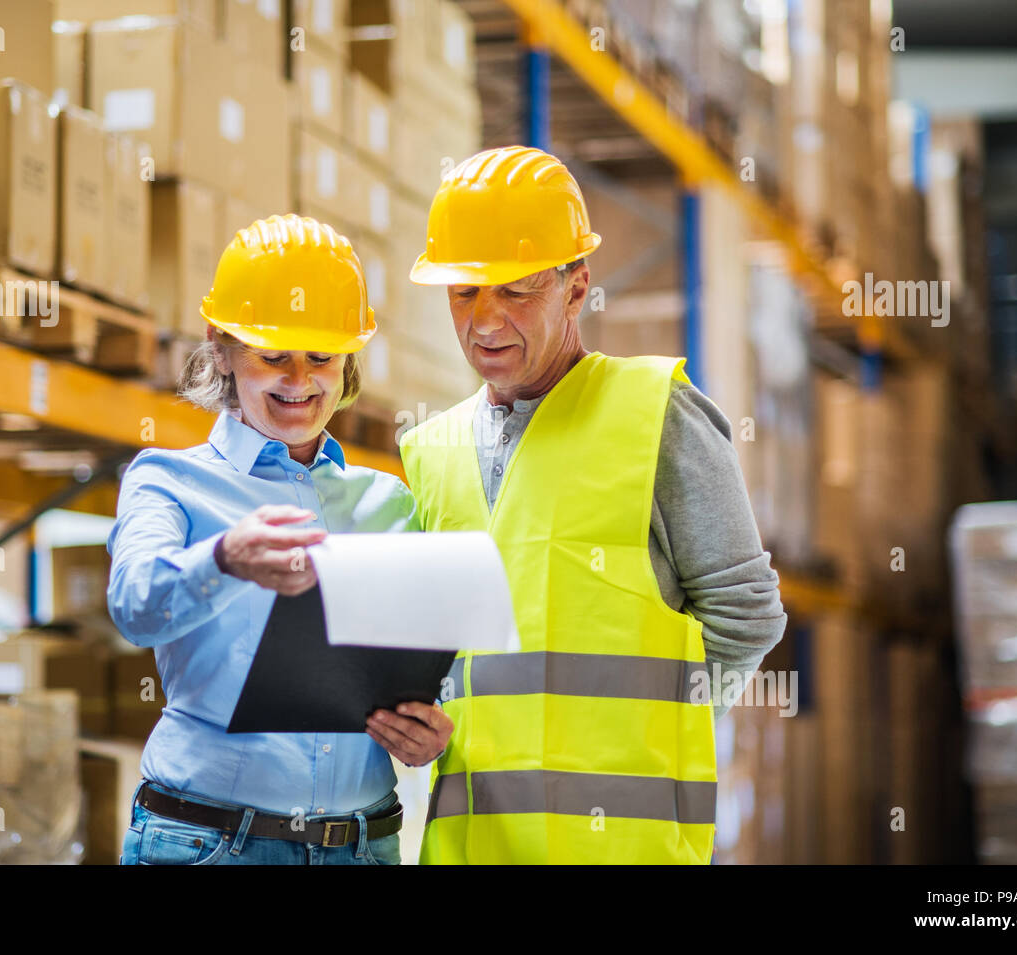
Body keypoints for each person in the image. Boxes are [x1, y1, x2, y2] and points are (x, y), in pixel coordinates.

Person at [398, 146, 788, 864]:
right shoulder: (430, 450)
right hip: (472, 847)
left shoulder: (655, 416)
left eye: (513, 290)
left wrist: (660, 732)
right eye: (462, 291)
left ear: (576, 288)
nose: (484, 321)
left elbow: (746, 612)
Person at [107, 214, 452, 865]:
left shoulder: (388, 504)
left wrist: (424, 731)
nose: (299, 381)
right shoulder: (169, 481)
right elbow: (135, 606)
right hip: (211, 842)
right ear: (221, 346)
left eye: (321, 357)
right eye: (273, 356)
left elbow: (410, 670)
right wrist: (225, 558)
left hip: (361, 845)